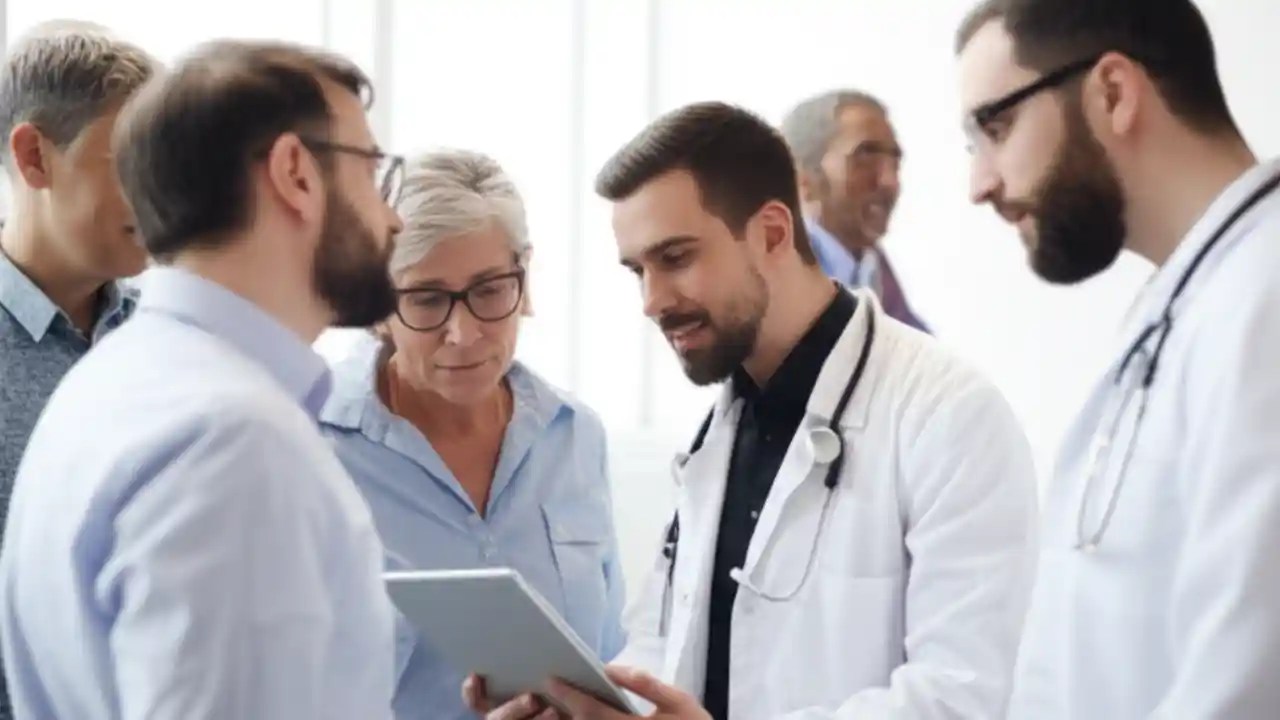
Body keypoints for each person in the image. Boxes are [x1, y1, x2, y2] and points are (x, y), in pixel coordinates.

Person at [468, 101, 1038, 719]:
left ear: (771, 233)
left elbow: (961, 696)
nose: (653, 301)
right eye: (638, 271)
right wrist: (579, 707)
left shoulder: (950, 417)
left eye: (676, 258)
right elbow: (667, 650)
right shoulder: (720, 430)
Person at [0, 40, 404, 719]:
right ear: (295, 173)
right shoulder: (233, 442)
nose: (393, 216)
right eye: (374, 172)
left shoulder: (114, 377)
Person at [954, 1, 1280, 717]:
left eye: (996, 128)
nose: (980, 184)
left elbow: (1246, 683)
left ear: (1112, 92)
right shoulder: (1192, 302)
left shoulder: (1263, 298)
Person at [320, 148, 626, 719]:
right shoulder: (309, 449)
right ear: (377, 306)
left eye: (489, 290)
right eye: (427, 299)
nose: (464, 334)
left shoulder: (575, 437)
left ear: (524, 277)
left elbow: (611, 659)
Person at [780, 91, 928, 332]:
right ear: (803, 179)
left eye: (895, 163)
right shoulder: (772, 277)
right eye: (865, 157)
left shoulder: (876, 273)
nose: (890, 182)